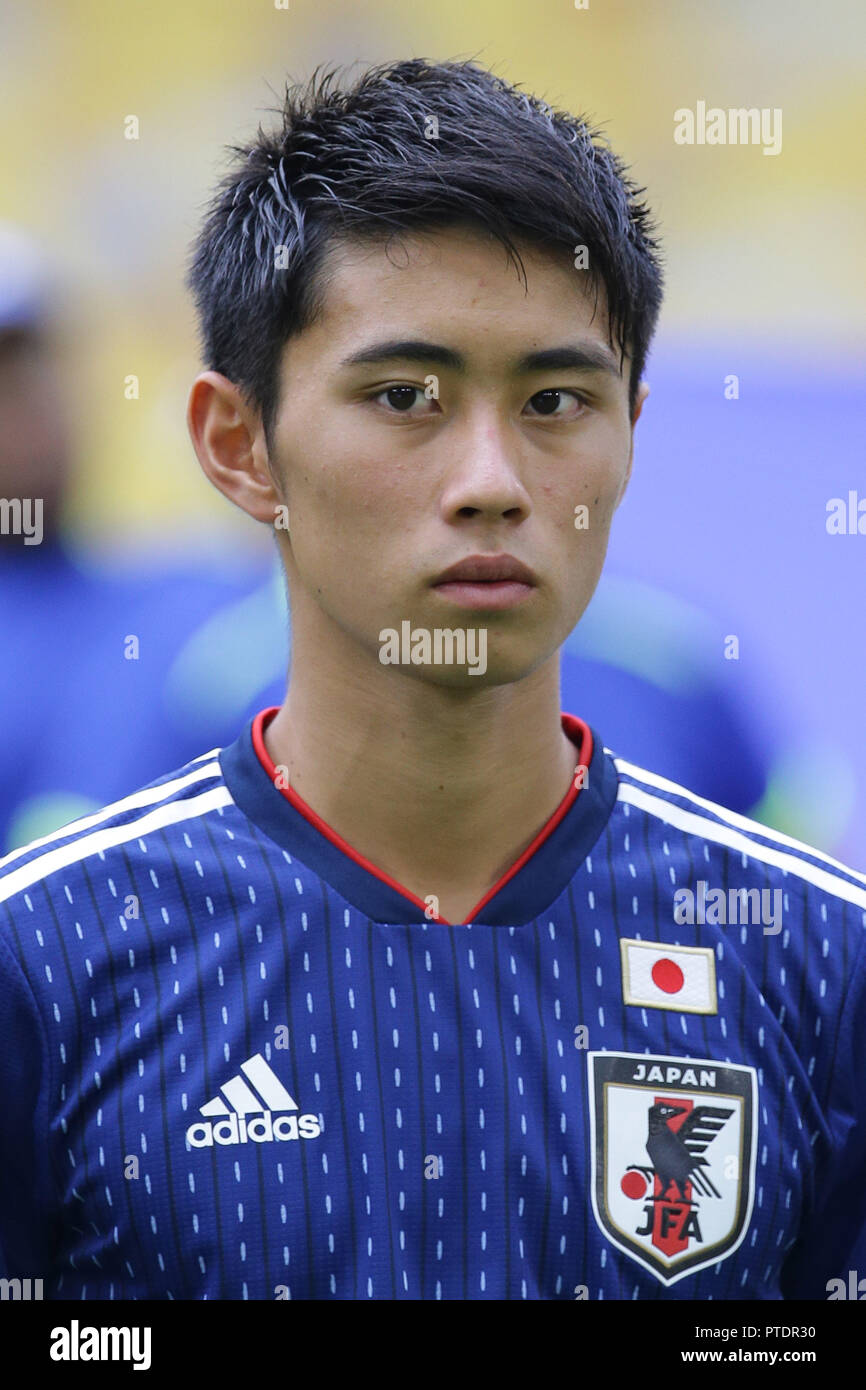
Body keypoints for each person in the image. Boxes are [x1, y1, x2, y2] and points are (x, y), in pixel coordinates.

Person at [0, 58, 863, 1301]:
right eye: (405, 396)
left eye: (557, 399)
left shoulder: (821, 963)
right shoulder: (45, 967)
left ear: (630, 433)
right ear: (240, 448)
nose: (491, 479)